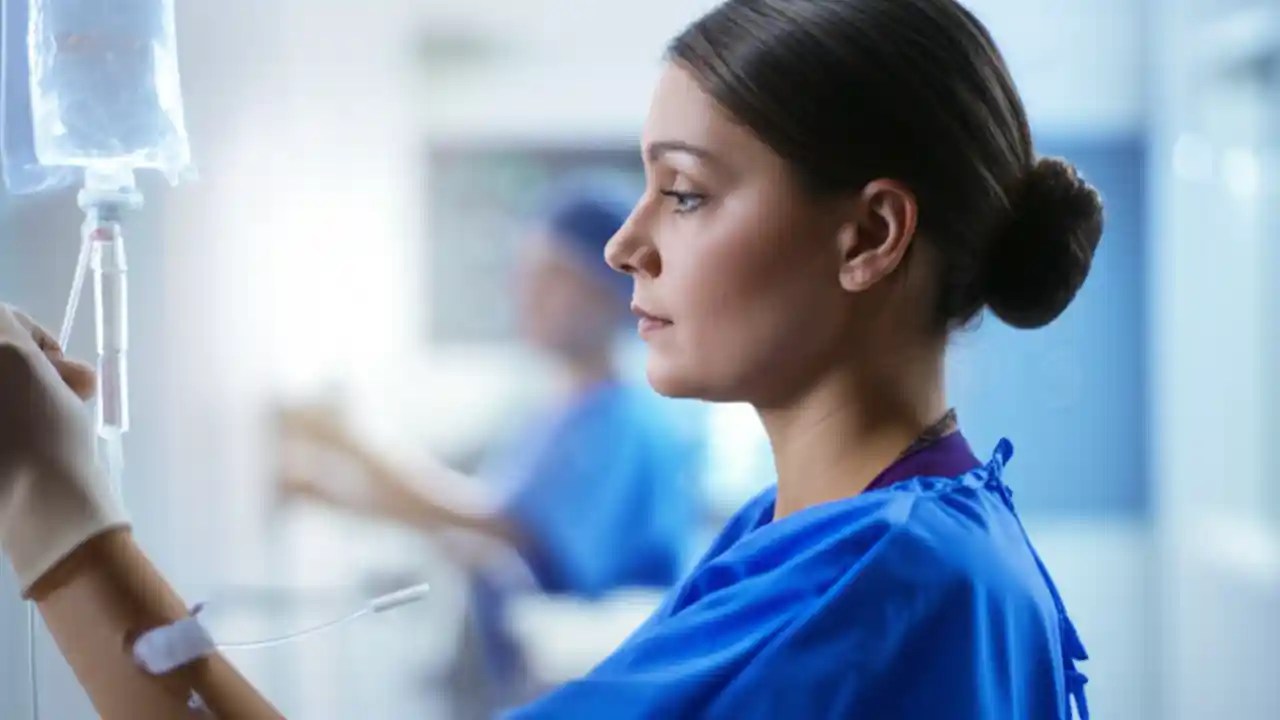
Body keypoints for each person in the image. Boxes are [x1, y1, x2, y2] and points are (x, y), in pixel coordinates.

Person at [0, 0, 1102, 717]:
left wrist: (61, 512)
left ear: (866, 236)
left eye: (684, 192)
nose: (628, 245)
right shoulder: (842, 540)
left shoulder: (877, 585)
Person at [275, 181, 703, 709]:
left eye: (551, 277)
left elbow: (504, 527)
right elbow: (474, 529)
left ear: (610, 290)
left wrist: (352, 441)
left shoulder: (624, 422)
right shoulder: (554, 411)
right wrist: (330, 486)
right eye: (525, 273)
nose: (525, 293)